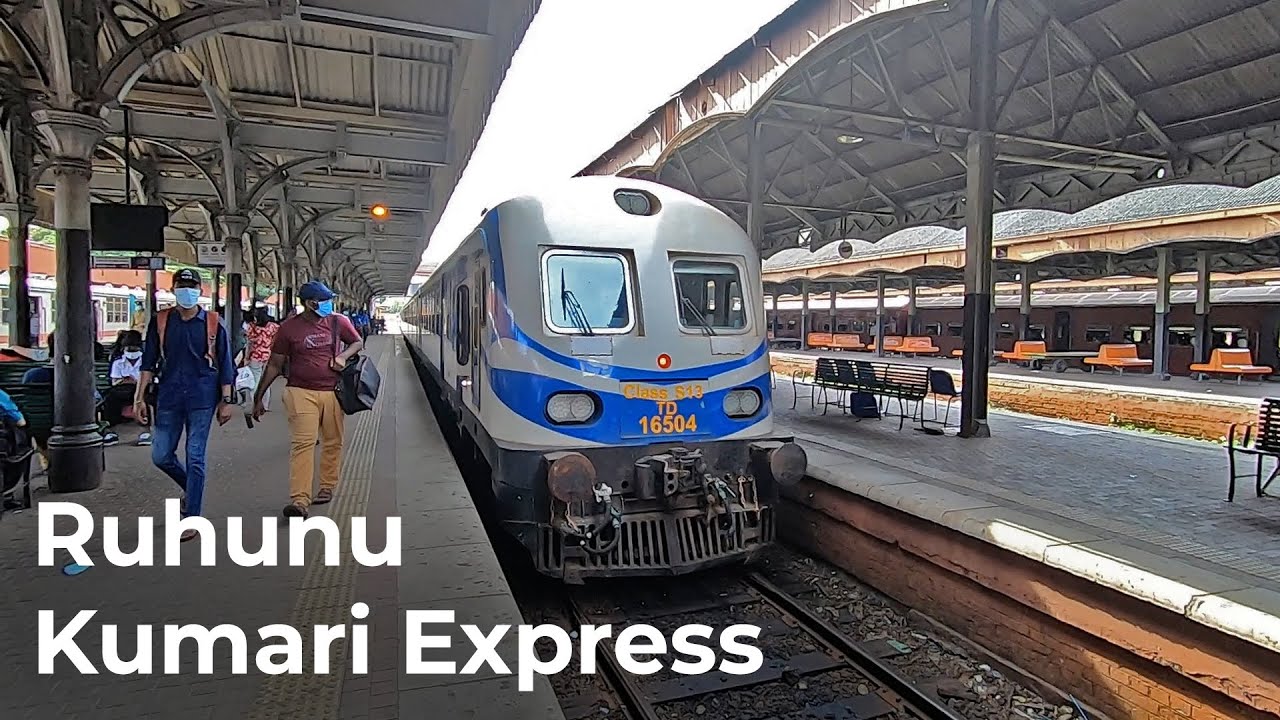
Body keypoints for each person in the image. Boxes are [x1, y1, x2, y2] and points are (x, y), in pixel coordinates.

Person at [134, 268, 236, 540]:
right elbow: (148, 362)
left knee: (196, 457)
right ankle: (190, 489)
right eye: (181, 285)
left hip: (202, 397)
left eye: (191, 286)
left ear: (200, 290)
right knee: (161, 456)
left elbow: (225, 363)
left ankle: (192, 517)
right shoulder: (162, 321)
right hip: (169, 396)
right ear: (174, 289)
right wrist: (139, 397)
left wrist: (227, 400)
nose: (186, 291)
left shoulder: (213, 322)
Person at [252, 280, 363, 519]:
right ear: (311, 303)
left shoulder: (338, 322)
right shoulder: (288, 329)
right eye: (324, 301)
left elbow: (357, 341)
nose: (328, 304)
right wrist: (258, 397)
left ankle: (326, 485)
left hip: (333, 391)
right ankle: (300, 499)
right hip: (300, 391)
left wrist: (343, 356)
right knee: (303, 443)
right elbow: (274, 364)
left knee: (333, 441)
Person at [243, 307, 279, 412]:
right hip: (269, 355)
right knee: (265, 381)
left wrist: (246, 357)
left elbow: (249, 344)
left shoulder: (252, 327)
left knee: (255, 381)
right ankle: (265, 405)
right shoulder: (273, 327)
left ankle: (256, 403)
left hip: (256, 356)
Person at [105, 330, 143, 426]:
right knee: (111, 396)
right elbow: (114, 382)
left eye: (134, 348)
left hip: (142, 388)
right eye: (129, 349)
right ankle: (112, 423)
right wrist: (124, 380)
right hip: (124, 390)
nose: (132, 352)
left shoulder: (145, 360)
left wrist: (138, 382)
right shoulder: (118, 362)